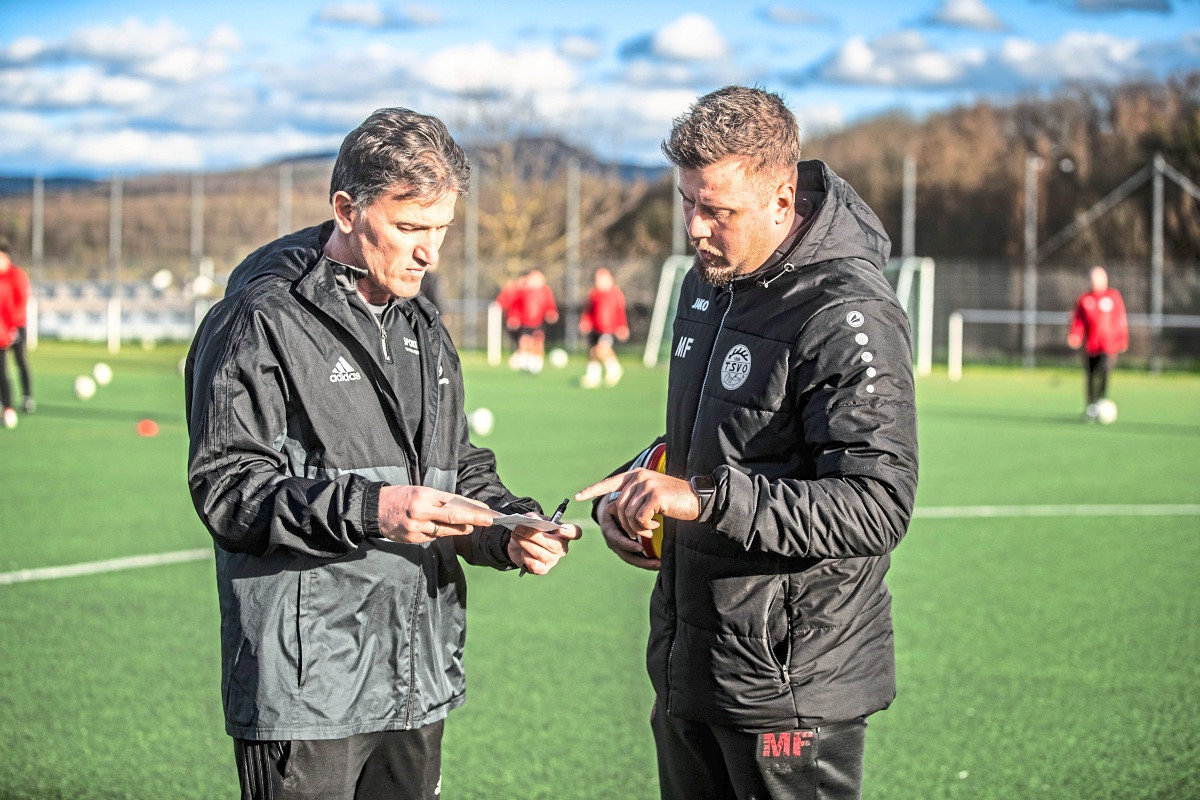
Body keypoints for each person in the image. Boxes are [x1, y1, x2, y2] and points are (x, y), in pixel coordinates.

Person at [185, 107, 581, 800]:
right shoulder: (263, 318)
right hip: (308, 689)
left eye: (441, 230)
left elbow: (456, 471)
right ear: (346, 208)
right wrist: (374, 511)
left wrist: (510, 530)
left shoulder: (424, 324)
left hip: (414, 676)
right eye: (409, 228)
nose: (429, 252)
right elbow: (228, 489)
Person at [576, 86, 918, 800]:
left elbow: (877, 505)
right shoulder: (711, 283)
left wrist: (701, 499)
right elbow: (720, 435)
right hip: (692, 662)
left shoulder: (845, 310)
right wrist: (643, 481)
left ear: (782, 199)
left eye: (717, 211)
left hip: (792, 686)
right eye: (687, 202)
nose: (696, 229)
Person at [1068, 265, 1128, 420]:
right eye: (1093, 280)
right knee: (1090, 375)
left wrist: (1122, 339)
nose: (1095, 283)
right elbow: (1078, 321)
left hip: (1108, 345)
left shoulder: (1113, 297)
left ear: (1105, 280)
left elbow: (1120, 319)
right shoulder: (1084, 299)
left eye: (1098, 279)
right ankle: (1091, 406)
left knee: (1105, 371)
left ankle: (1102, 401)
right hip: (1091, 346)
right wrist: (1075, 335)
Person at [0, 237, 34, 427]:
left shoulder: (17, 275)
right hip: (1, 328)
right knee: (1, 369)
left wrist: (15, 327)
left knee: (20, 360)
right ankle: (7, 404)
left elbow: (21, 303)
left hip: (17, 326)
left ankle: (27, 396)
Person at [578, 267, 629, 388]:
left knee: (602, 349)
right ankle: (593, 377)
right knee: (592, 353)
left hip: (609, 329)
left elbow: (620, 312)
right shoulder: (593, 294)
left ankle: (614, 369)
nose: (599, 281)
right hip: (595, 329)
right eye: (597, 279)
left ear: (610, 279)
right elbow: (588, 311)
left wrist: (622, 326)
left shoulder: (616, 294)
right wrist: (585, 322)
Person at [510, 268, 558, 374]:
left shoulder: (545, 291)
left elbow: (550, 304)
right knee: (524, 342)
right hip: (525, 322)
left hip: (539, 322)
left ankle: (536, 364)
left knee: (538, 343)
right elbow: (516, 306)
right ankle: (525, 363)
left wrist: (551, 312)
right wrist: (513, 317)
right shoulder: (523, 291)